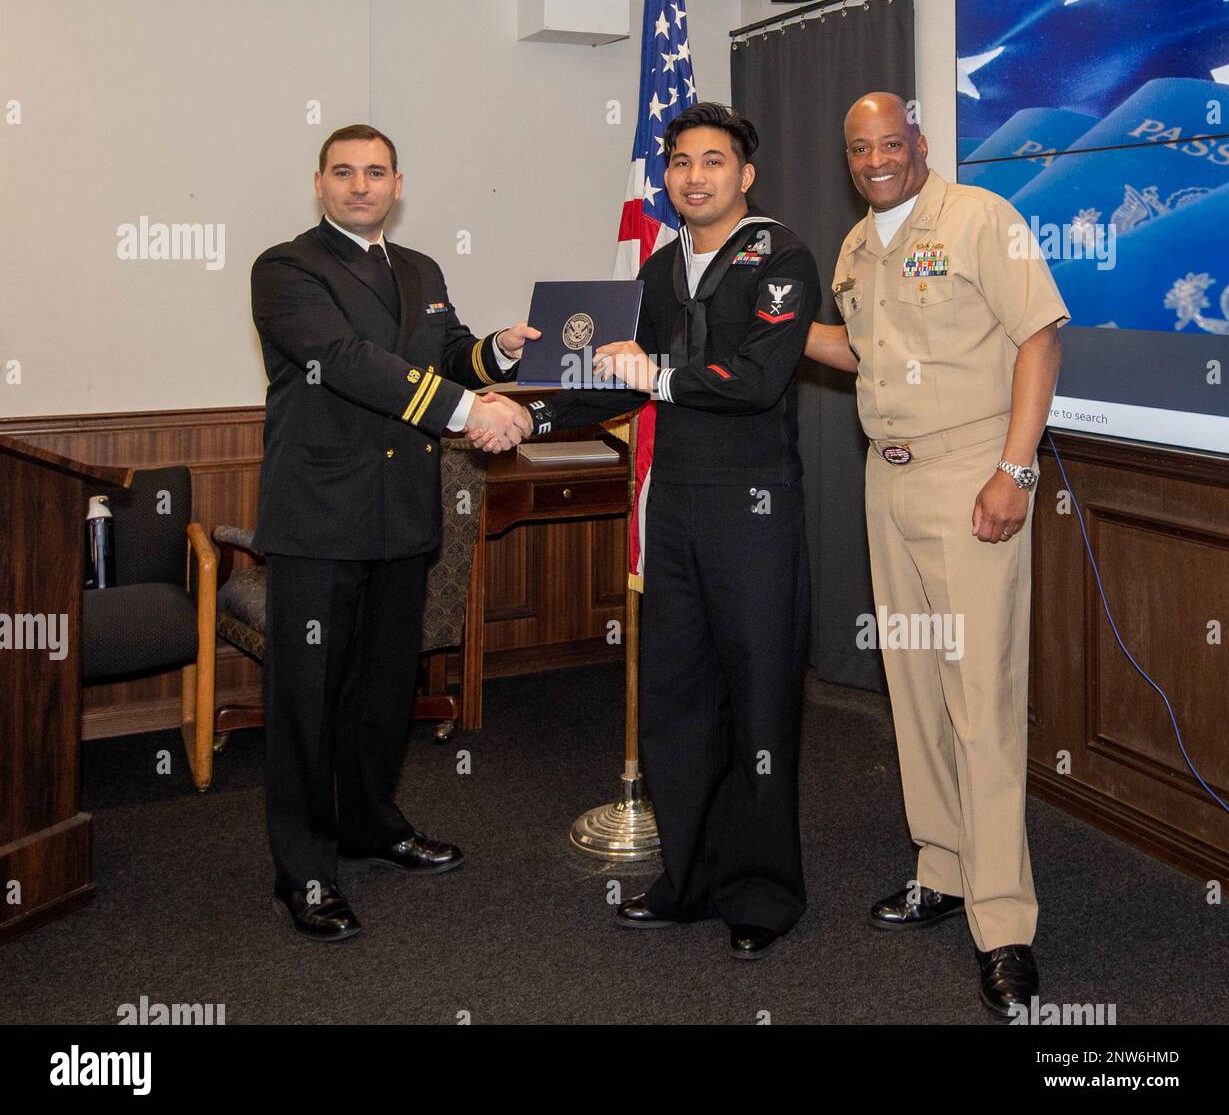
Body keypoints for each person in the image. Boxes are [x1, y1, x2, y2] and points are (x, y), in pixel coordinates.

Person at [473, 102, 819, 959]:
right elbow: (618, 386)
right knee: (674, 699)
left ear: (745, 175)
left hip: (751, 513)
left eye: (712, 160)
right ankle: (690, 877)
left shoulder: (780, 259)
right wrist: (531, 410)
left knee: (758, 702)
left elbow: (756, 379)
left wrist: (655, 369)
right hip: (669, 514)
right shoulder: (662, 270)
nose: (692, 175)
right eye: (678, 162)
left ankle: (763, 890)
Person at [804, 93, 1067, 1016]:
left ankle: (1002, 922)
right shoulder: (854, 246)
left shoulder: (981, 218)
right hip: (889, 475)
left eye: (889, 143)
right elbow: (865, 349)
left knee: (980, 698)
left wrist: (1014, 469)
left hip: (971, 476)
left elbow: (1039, 336)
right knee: (913, 687)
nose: (875, 160)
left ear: (917, 143)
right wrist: (775, 328)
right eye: (859, 149)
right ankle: (943, 868)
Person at [251, 123, 537, 941]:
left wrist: (497, 355)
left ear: (397, 184)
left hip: (401, 512)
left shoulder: (419, 269)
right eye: (344, 172)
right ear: (319, 183)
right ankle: (303, 871)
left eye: (375, 173)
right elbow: (344, 359)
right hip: (320, 516)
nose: (361, 186)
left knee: (383, 691)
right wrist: (467, 411)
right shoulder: (287, 267)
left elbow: (445, 353)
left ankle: (372, 824)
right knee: (307, 699)